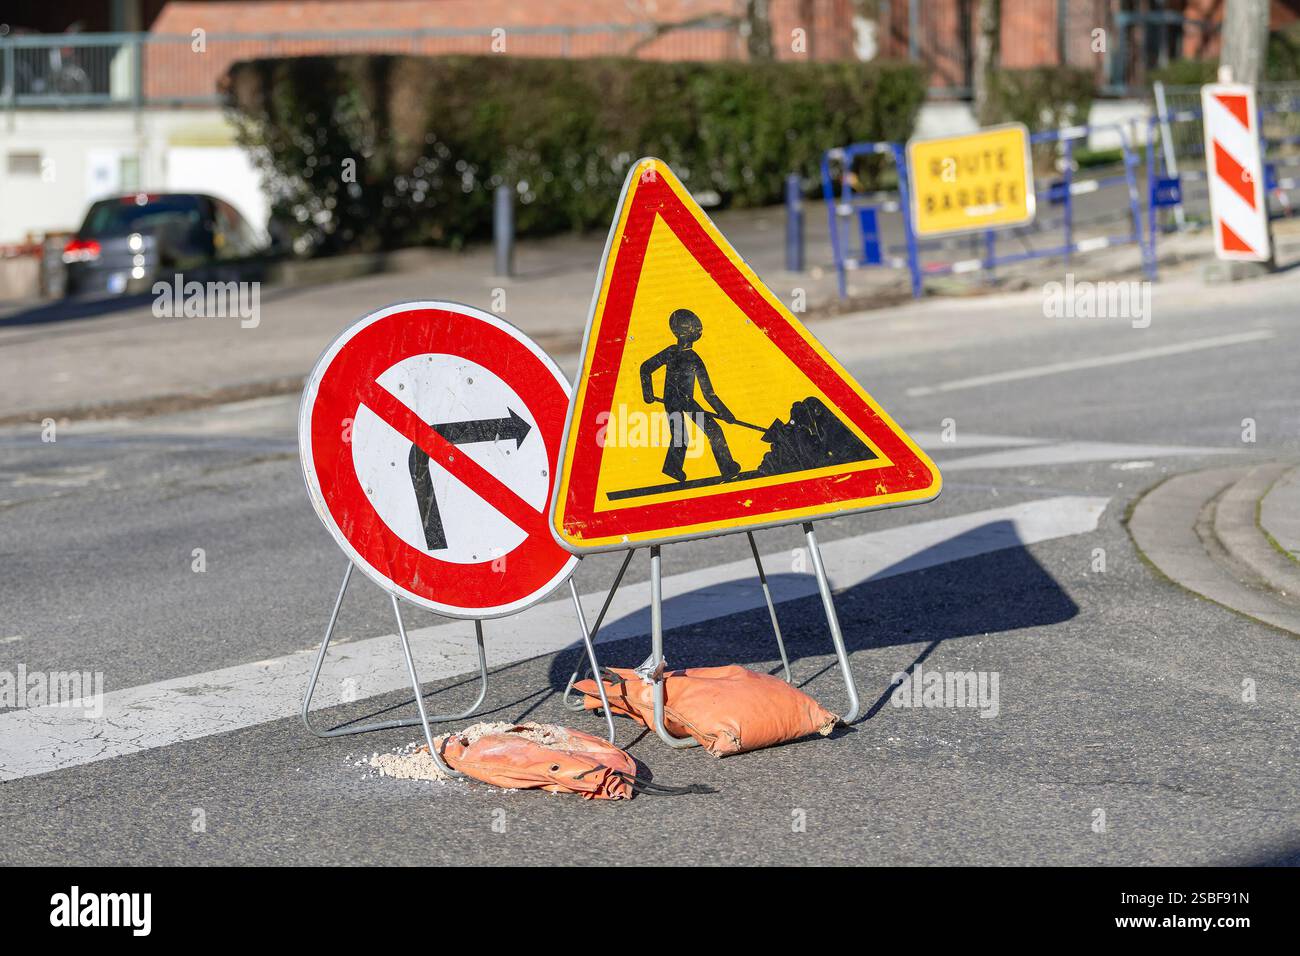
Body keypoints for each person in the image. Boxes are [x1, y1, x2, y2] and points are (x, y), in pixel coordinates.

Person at [639, 309, 740, 482]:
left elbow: (709, 393)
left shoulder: (693, 358)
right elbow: (645, 367)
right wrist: (647, 393)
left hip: (686, 401)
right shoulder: (672, 352)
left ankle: (727, 467)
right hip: (672, 401)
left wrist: (725, 413)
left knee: (713, 430)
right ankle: (672, 468)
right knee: (681, 437)